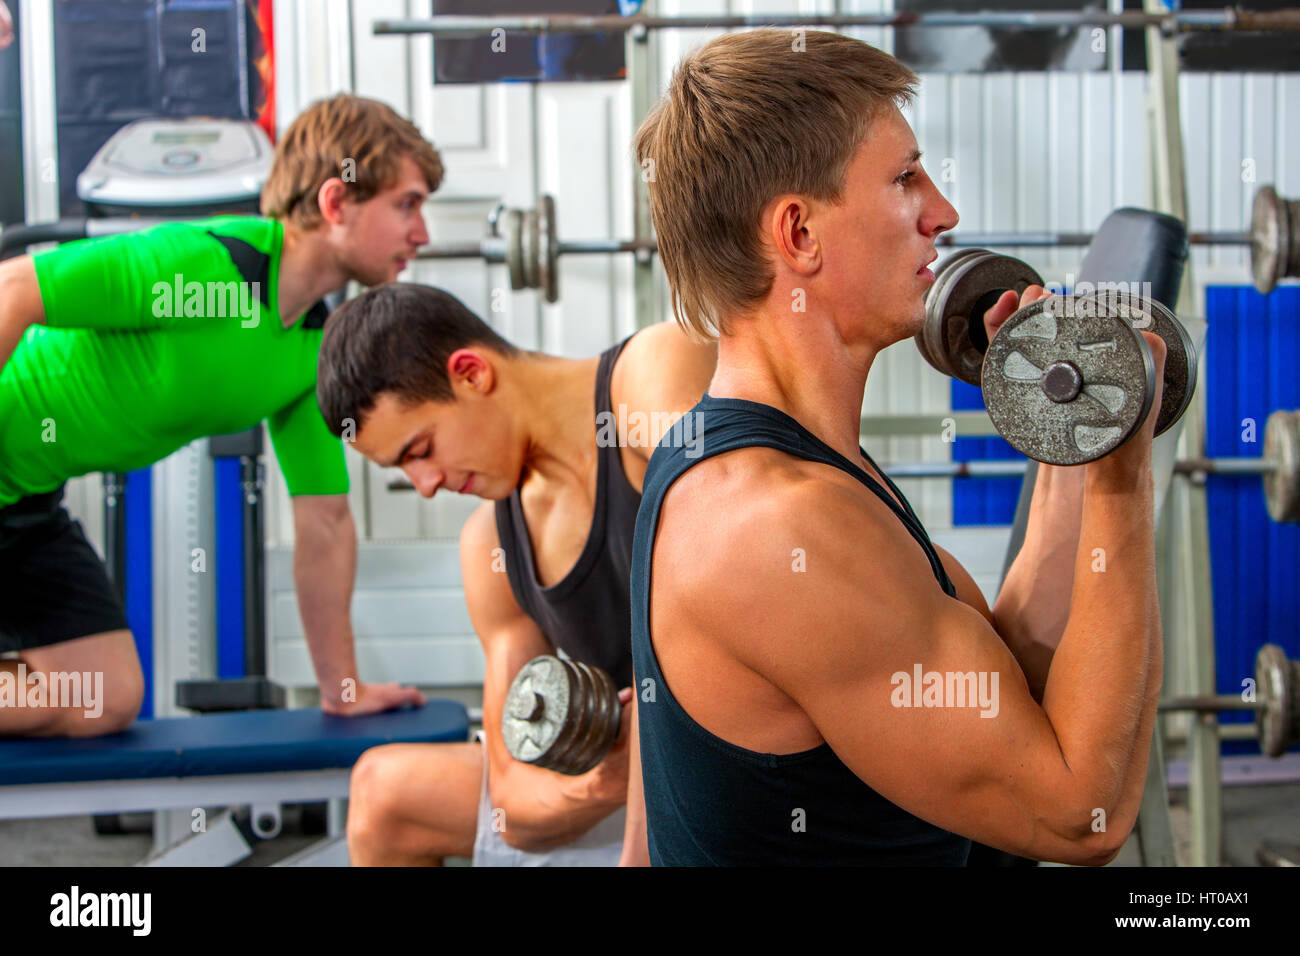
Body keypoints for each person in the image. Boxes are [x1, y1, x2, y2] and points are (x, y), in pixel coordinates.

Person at [625, 29, 1165, 865]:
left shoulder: (804, 468)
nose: (942, 213)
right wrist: (1125, 481)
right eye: (905, 178)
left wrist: (1075, 435)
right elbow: (1075, 814)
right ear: (799, 233)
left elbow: (1002, 679)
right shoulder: (774, 527)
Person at [0, 94, 437, 735]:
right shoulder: (205, 268)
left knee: (104, 693)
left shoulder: (313, 348)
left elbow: (325, 521)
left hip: (27, 501)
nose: (421, 234)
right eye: (407, 204)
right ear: (336, 203)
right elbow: (13, 290)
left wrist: (341, 687)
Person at [315, 283, 714, 865]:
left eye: (419, 449)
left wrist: (637, 829)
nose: (424, 486)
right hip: (633, 782)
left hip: (742, 750)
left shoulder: (651, 372)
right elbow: (514, 799)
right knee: (383, 793)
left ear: (472, 373)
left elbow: (727, 592)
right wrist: (602, 780)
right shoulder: (489, 546)